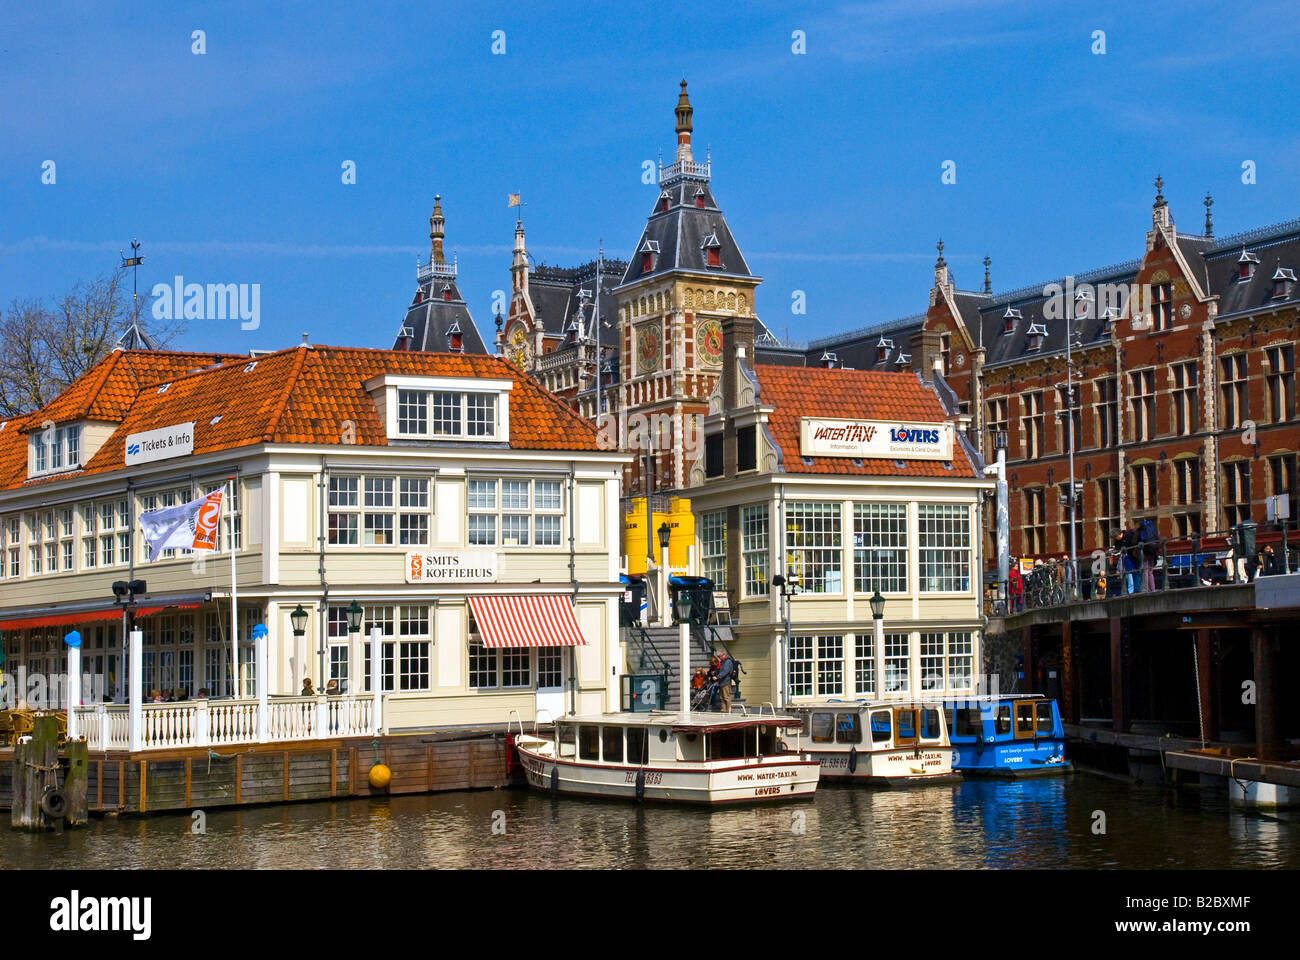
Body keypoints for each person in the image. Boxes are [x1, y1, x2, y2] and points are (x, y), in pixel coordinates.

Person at [1121, 522, 1140, 594]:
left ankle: (1133, 590)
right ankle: (1137, 589)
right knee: (1137, 572)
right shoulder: (1136, 534)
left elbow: (1128, 546)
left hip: (1132, 556)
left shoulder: (1129, 536)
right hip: (1136, 555)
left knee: (1133, 574)